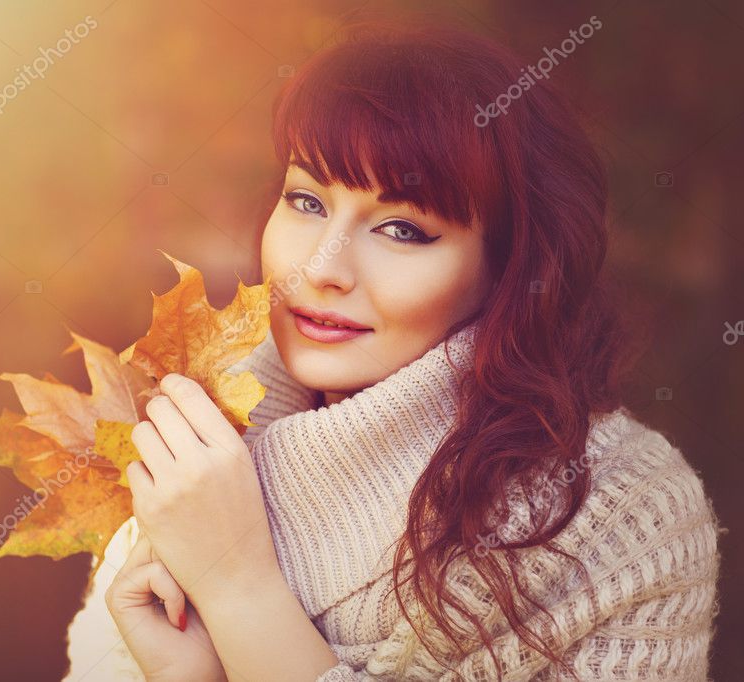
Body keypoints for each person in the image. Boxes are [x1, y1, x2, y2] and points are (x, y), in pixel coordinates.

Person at [68, 18, 723, 682]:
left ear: (504, 268)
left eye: (402, 229)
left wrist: (238, 582)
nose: (323, 268)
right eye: (306, 201)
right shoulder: (192, 448)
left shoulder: (625, 512)